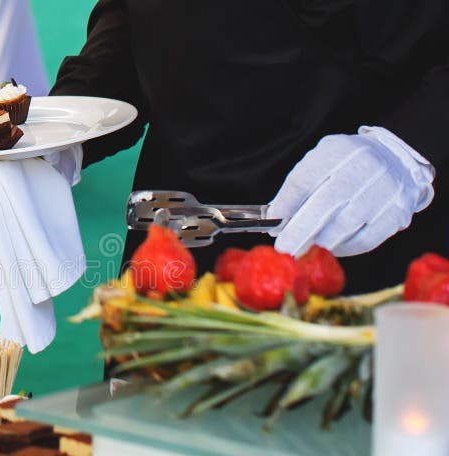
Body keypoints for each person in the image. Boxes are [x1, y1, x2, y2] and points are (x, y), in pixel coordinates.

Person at [51, 0, 448, 294]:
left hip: (357, 226)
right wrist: (71, 121)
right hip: (177, 243)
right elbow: (137, 17)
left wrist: (406, 148)